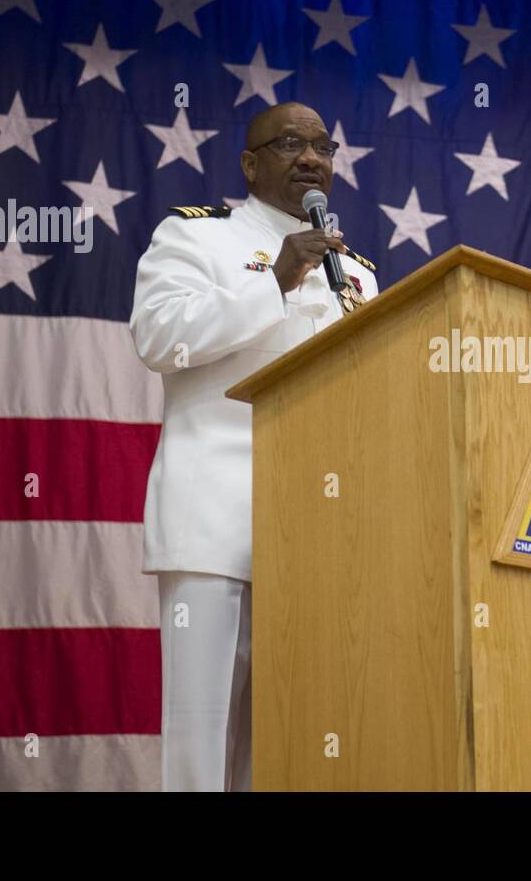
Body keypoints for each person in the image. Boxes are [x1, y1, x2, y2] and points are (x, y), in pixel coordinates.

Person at [130, 102, 378, 791]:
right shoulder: (195, 239)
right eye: (290, 143)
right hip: (217, 525)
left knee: (288, 743)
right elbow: (158, 339)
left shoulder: (358, 273)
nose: (312, 159)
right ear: (249, 163)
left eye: (324, 146)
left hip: (320, 535)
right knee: (201, 748)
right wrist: (273, 280)